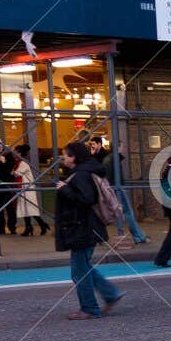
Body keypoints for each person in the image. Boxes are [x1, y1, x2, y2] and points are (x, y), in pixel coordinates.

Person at [54, 140, 123, 320]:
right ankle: (111, 293)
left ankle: (90, 308)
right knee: (84, 267)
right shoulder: (85, 171)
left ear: (74, 157)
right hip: (87, 227)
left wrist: (65, 189)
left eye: (66, 154)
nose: (63, 157)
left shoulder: (80, 175)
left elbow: (87, 199)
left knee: (79, 271)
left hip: (83, 228)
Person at [88, 135, 146, 243]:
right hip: (116, 189)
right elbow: (109, 177)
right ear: (118, 147)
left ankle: (136, 235)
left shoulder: (109, 158)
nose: (123, 148)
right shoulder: (111, 159)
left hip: (115, 188)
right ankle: (137, 235)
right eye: (122, 146)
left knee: (122, 212)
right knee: (127, 212)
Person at [11, 144, 48, 237]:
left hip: (26, 189)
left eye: (15, 151)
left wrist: (12, 172)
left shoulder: (23, 164)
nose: (14, 153)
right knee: (27, 209)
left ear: (19, 153)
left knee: (29, 209)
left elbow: (16, 174)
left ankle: (38, 225)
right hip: (23, 188)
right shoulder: (19, 162)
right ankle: (33, 226)